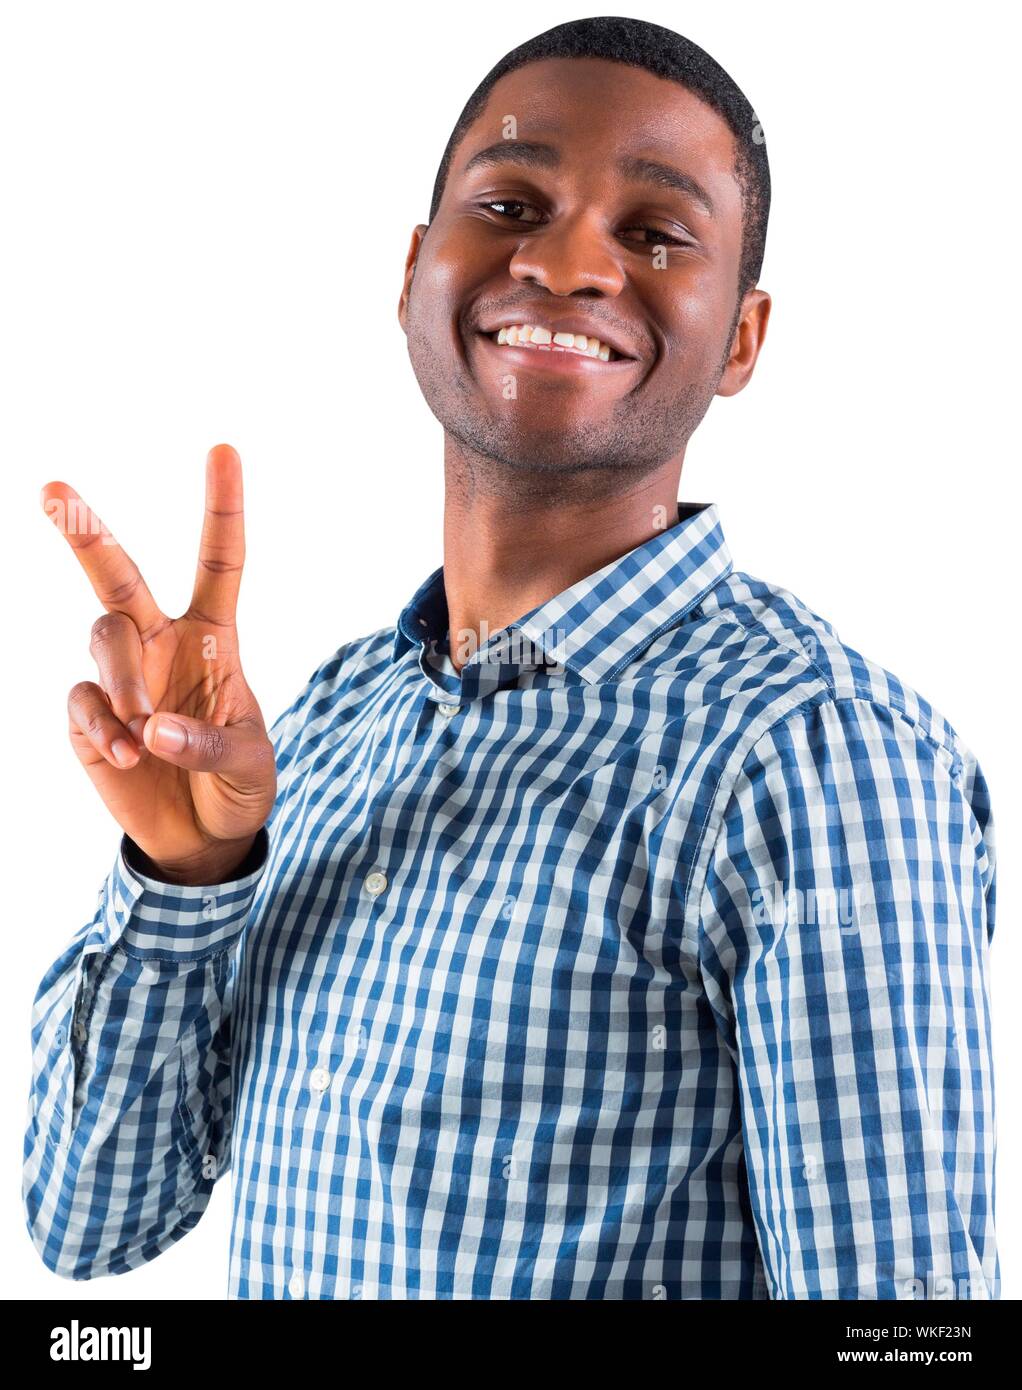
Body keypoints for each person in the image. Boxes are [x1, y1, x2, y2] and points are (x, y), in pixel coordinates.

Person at [24, 15, 998, 1300]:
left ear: (743, 340)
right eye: (509, 200)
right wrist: (188, 874)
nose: (564, 261)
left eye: (653, 234)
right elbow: (88, 1226)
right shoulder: (330, 723)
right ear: (416, 268)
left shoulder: (814, 760)